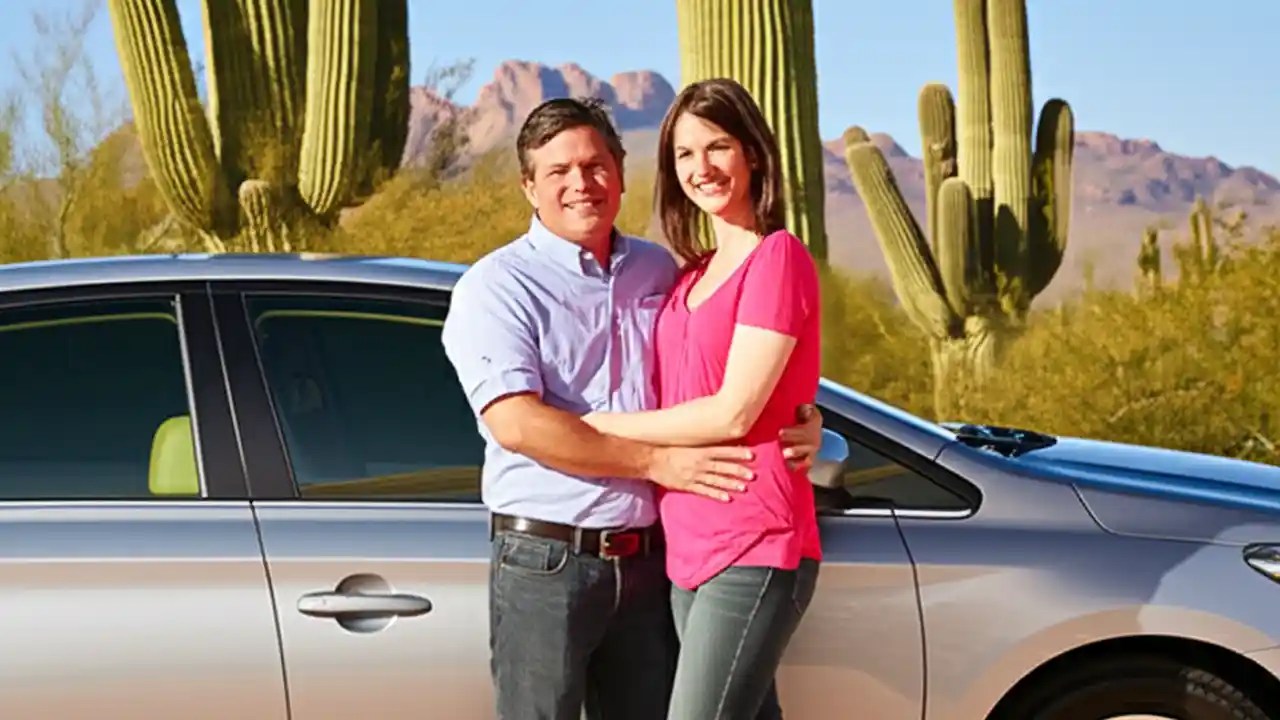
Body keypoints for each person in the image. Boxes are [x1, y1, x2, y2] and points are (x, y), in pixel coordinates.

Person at [440, 96, 823, 720]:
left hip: (652, 560)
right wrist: (655, 462)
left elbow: (739, 360)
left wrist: (808, 415)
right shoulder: (497, 287)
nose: (580, 184)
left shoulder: (660, 270)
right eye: (558, 172)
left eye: (594, 165)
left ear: (620, 172)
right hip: (546, 561)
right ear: (528, 187)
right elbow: (517, 424)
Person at [577, 77, 823, 719]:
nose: (701, 168)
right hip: (685, 546)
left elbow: (734, 411)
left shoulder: (778, 258)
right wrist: (809, 412)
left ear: (754, 155)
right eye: (684, 154)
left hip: (753, 536)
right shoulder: (688, 275)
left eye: (717, 147)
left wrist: (606, 429)